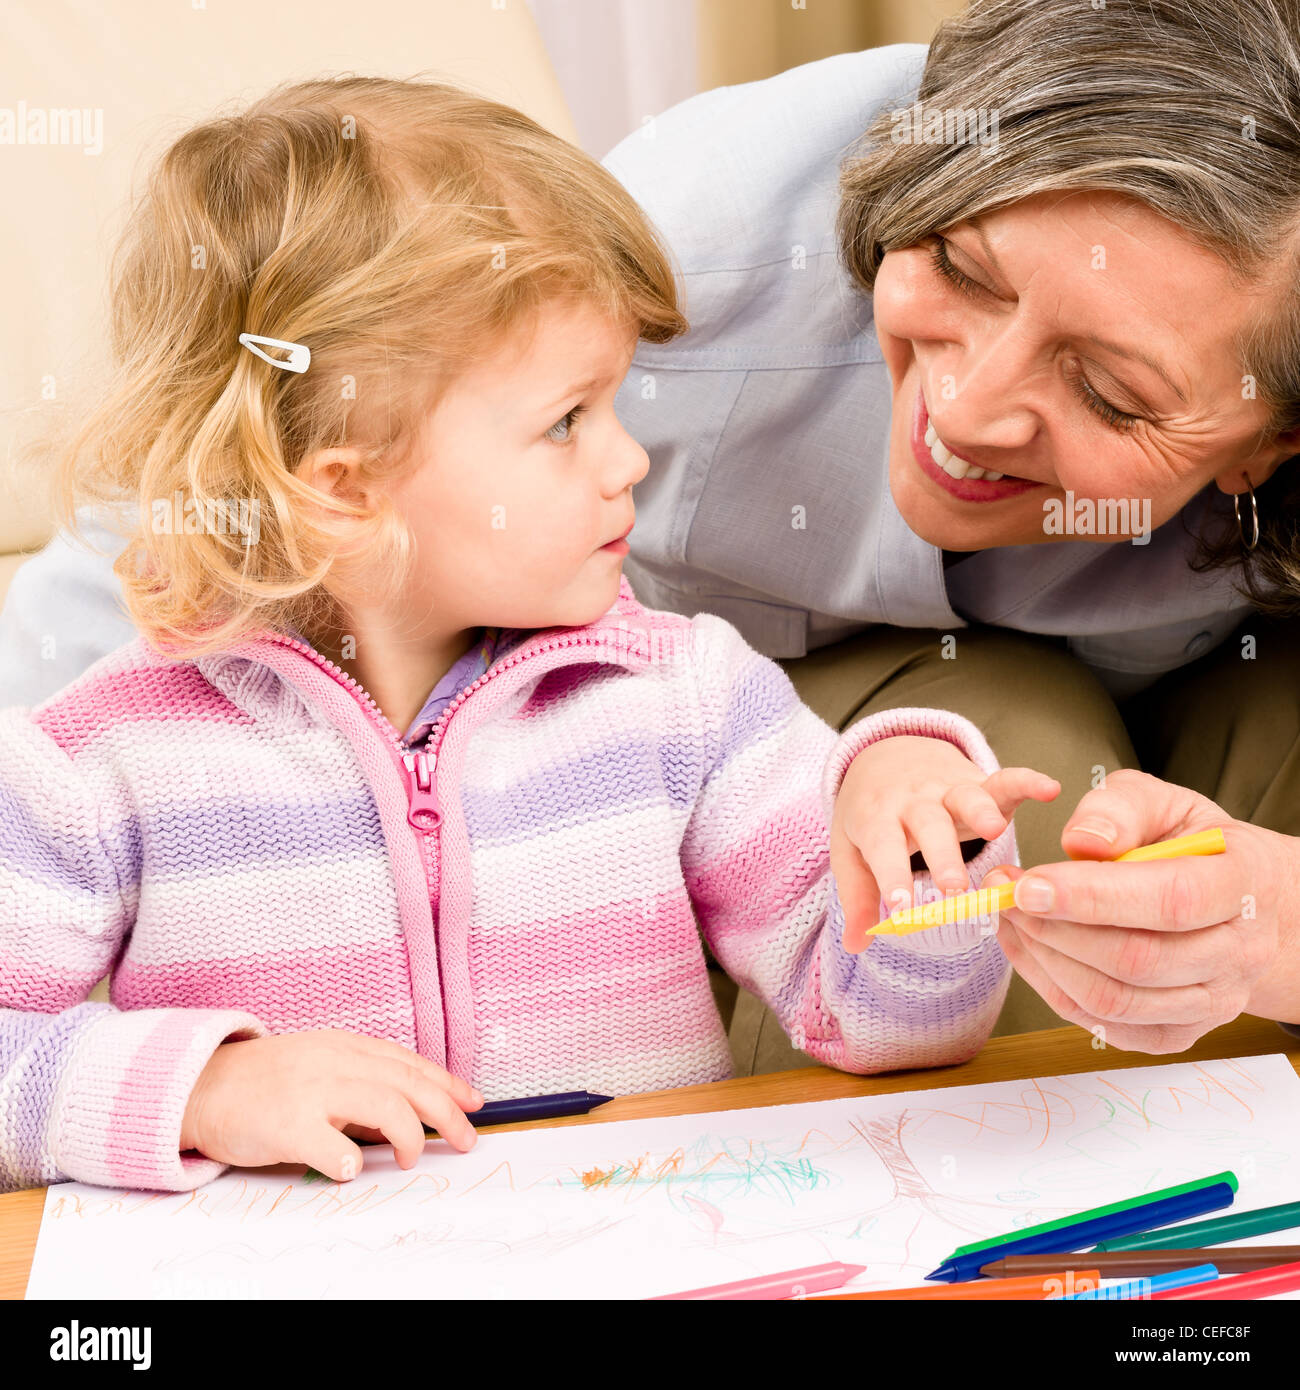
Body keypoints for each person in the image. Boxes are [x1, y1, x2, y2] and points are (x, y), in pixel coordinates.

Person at [0, 76, 1057, 1195]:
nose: (629, 460)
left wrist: (928, 854)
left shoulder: (683, 699)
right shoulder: (96, 765)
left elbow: (887, 1025)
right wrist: (206, 1090)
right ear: (346, 491)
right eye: (565, 421)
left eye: (616, 402)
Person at [595, 0, 1300, 1060]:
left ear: (1272, 445)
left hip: (1203, 686)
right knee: (999, 778)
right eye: (963, 272)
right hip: (695, 726)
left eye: (1110, 392)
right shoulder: (667, 265)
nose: (963, 409)